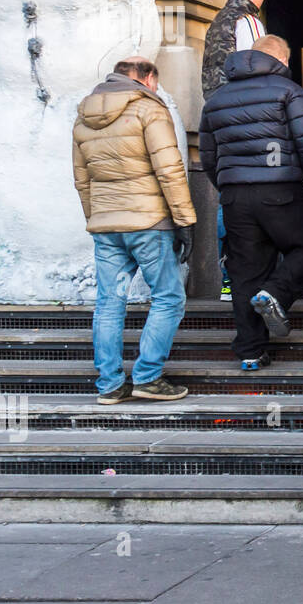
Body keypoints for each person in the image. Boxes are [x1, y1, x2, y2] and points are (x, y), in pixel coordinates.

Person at [72, 57, 195, 404]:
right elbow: (170, 170)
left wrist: (96, 218)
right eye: (155, 81)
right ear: (146, 77)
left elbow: (82, 179)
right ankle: (147, 376)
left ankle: (110, 384)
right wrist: (185, 221)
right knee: (168, 297)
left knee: (110, 302)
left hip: (107, 226)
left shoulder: (84, 115)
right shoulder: (147, 109)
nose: (155, 88)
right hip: (149, 224)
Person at [199, 34, 303, 370]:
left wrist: (229, 185)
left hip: (236, 196)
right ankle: (277, 293)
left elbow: (208, 157)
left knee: (245, 271)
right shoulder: (289, 92)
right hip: (282, 191)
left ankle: (250, 351)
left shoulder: (217, 99)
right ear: (281, 60)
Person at [201, 0, 268, 301]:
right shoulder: (248, 20)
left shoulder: (216, 21)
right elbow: (256, 66)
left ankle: (227, 277)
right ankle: (250, 277)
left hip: (217, 115)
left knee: (227, 192)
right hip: (243, 117)